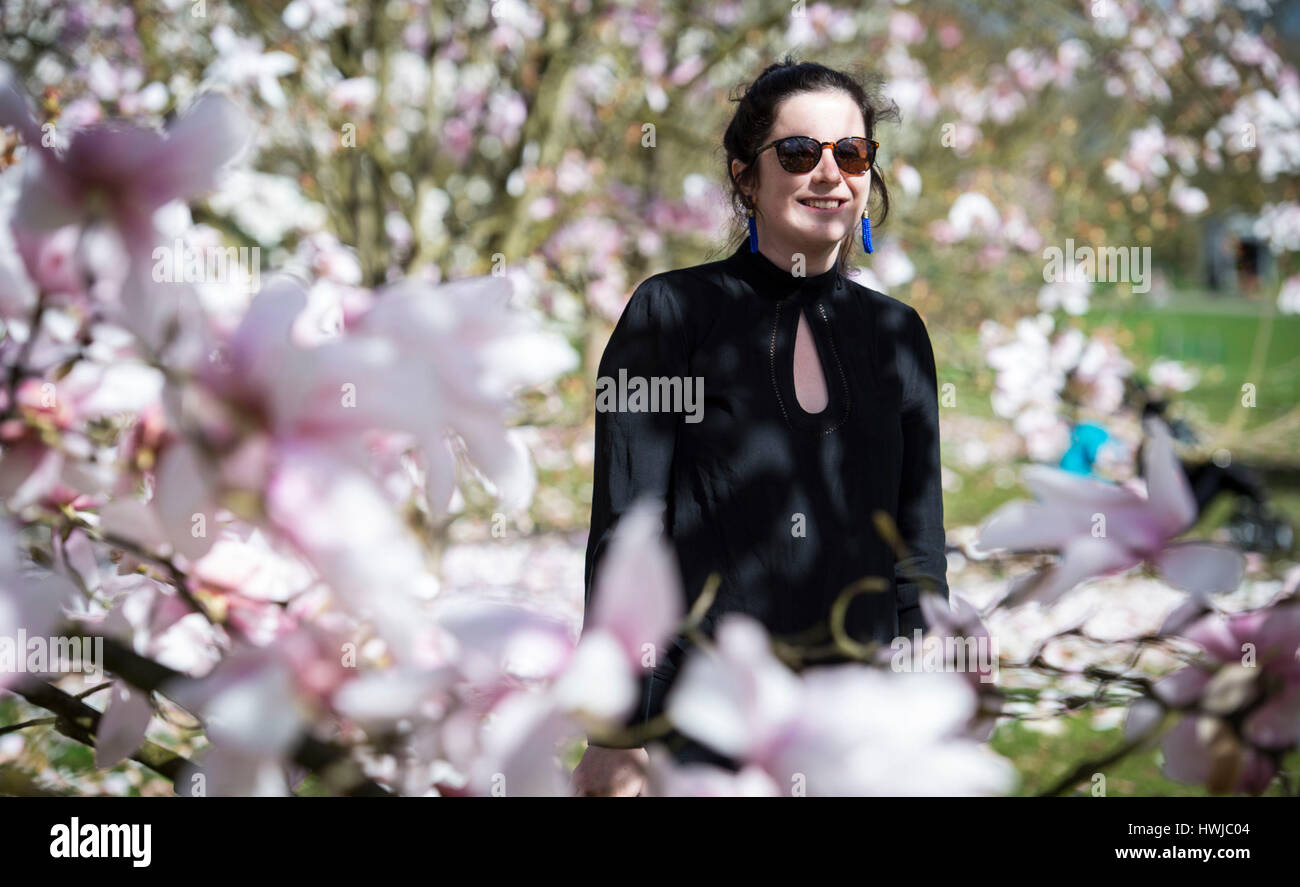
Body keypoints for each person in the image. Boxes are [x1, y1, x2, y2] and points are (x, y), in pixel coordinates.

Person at [569, 58, 949, 797]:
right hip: (698, 725)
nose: (830, 173)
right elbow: (624, 535)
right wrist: (614, 732)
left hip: (856, 730)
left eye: (853, 152)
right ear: (746, 176)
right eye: (800, 153)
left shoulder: (900, 335)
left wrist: (929, 708)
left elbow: (919, 555)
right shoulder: (670, 314)